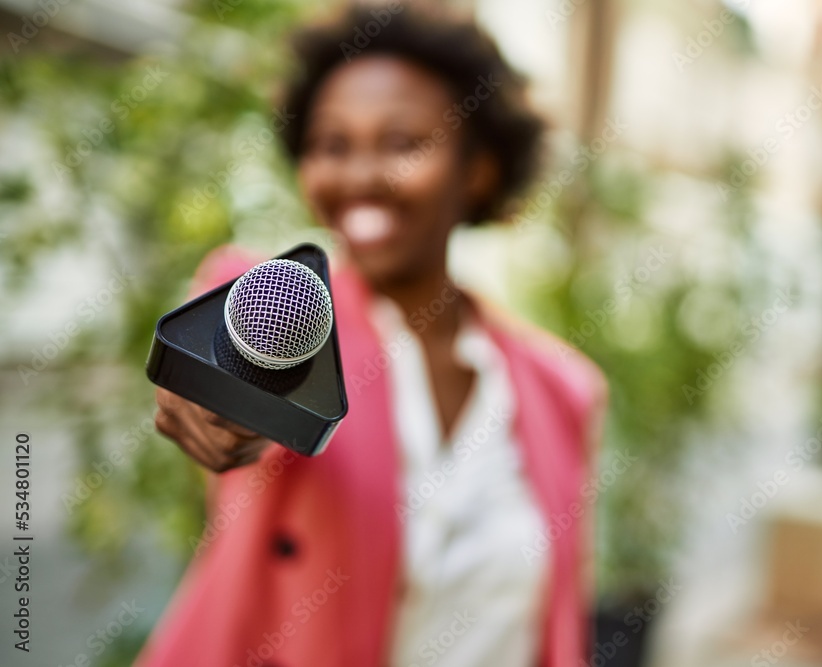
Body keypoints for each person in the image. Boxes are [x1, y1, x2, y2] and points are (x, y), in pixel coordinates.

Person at [137, 3, 606, 666]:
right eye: (333, 145)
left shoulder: (563, 391)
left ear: (478, 169)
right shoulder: (278, 315)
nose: (359, 176)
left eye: (404, 143)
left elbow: (558, 622)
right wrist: (219, 409)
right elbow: (222, 388)